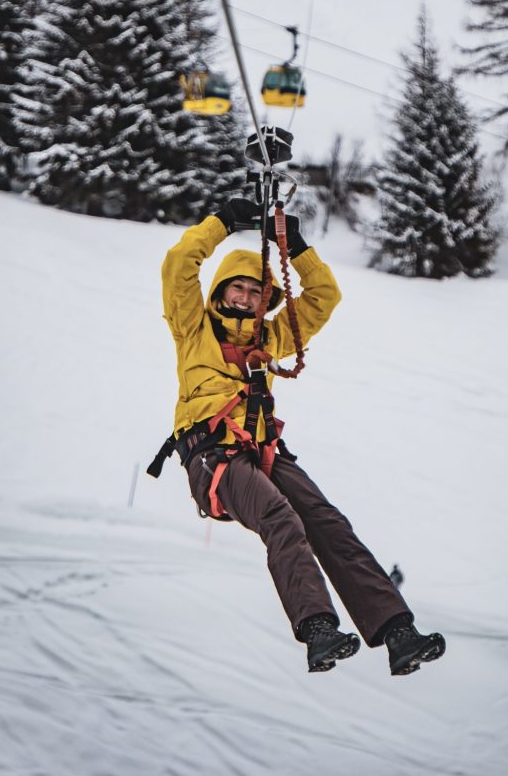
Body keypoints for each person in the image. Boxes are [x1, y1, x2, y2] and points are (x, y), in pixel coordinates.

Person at [156, 196, 446, 676]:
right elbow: (178, 266)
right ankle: (317, 630)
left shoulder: (272, 339)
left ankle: (396, 632)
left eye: (256, 292)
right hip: (211, 453)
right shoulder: (193, 328)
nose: (246, 299)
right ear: (220, 292)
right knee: (281, 518)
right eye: (237, 289)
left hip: (264, 449)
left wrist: (296, 247)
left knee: (328, 523)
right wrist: (223, 223)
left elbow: (324, 296)